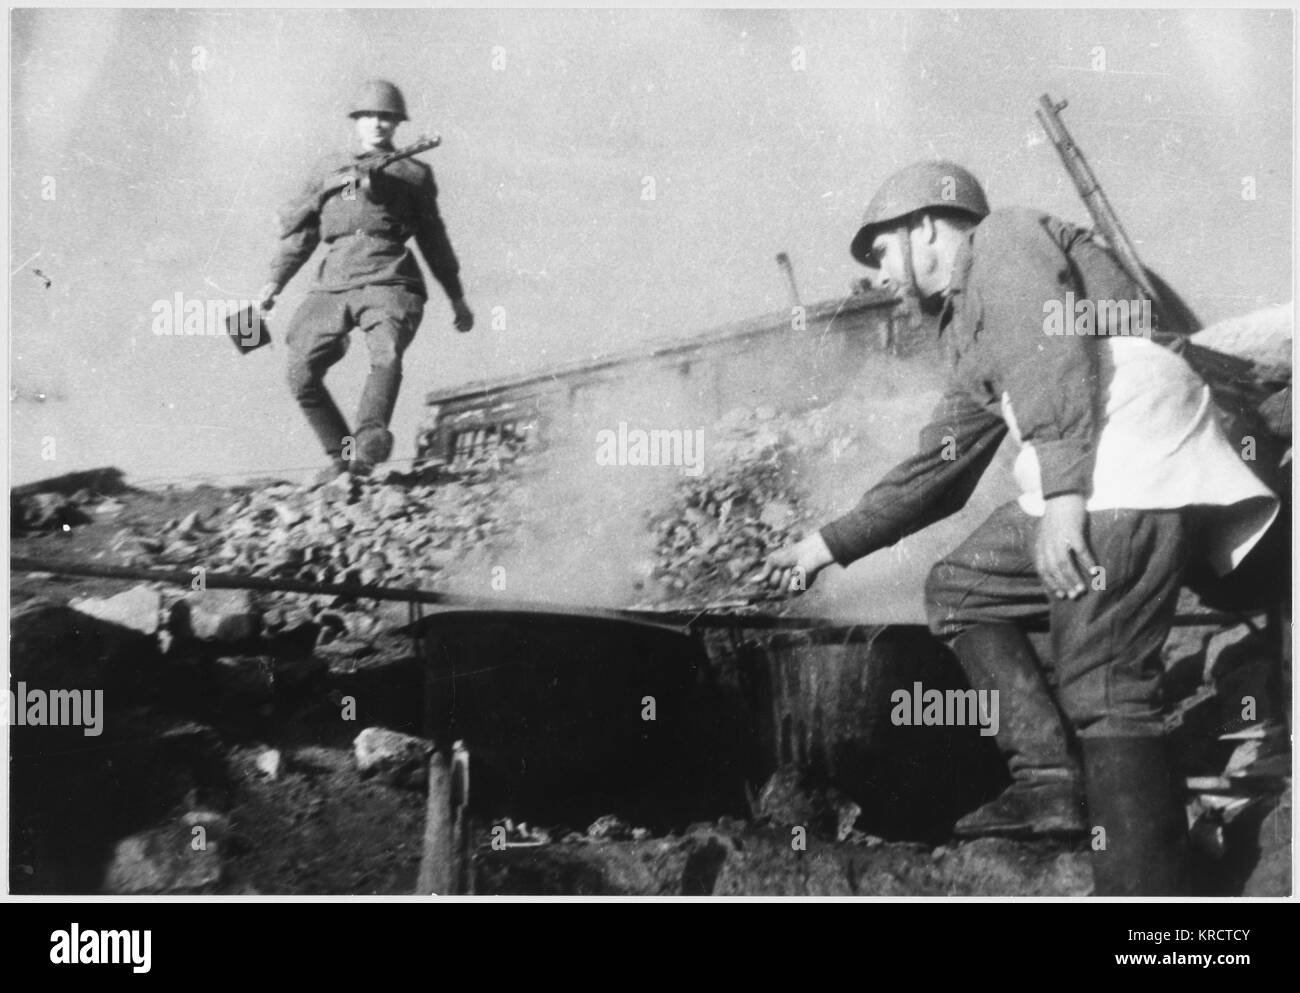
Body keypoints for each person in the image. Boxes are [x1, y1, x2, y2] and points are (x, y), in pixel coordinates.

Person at [757, 160, 1278, 895]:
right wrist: (824, 545)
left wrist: (1064, 496)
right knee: (962, 585)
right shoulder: (973, 330)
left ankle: (1154, 923)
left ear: (927, 226)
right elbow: (938, 469)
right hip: (1100, 464)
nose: (881, 276)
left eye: (882, 252)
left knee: (1105, 684)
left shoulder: (1002, 242)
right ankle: (1050, 780)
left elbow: (1053, 351)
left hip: (1121, 459)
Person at [258, 79, 474, 484]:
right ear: (356, 120)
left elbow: (434, 239)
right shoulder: (327, 168)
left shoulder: (414, 172)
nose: (378, 124)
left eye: (388, 118)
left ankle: (368, 443)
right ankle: (342, 454)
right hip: (334, 276)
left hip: (389, 274)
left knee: (386, 353)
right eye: (370, 116)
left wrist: (456, 297)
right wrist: (274, 283)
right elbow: (301, 233)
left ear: (397, 125)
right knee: (300, 373)